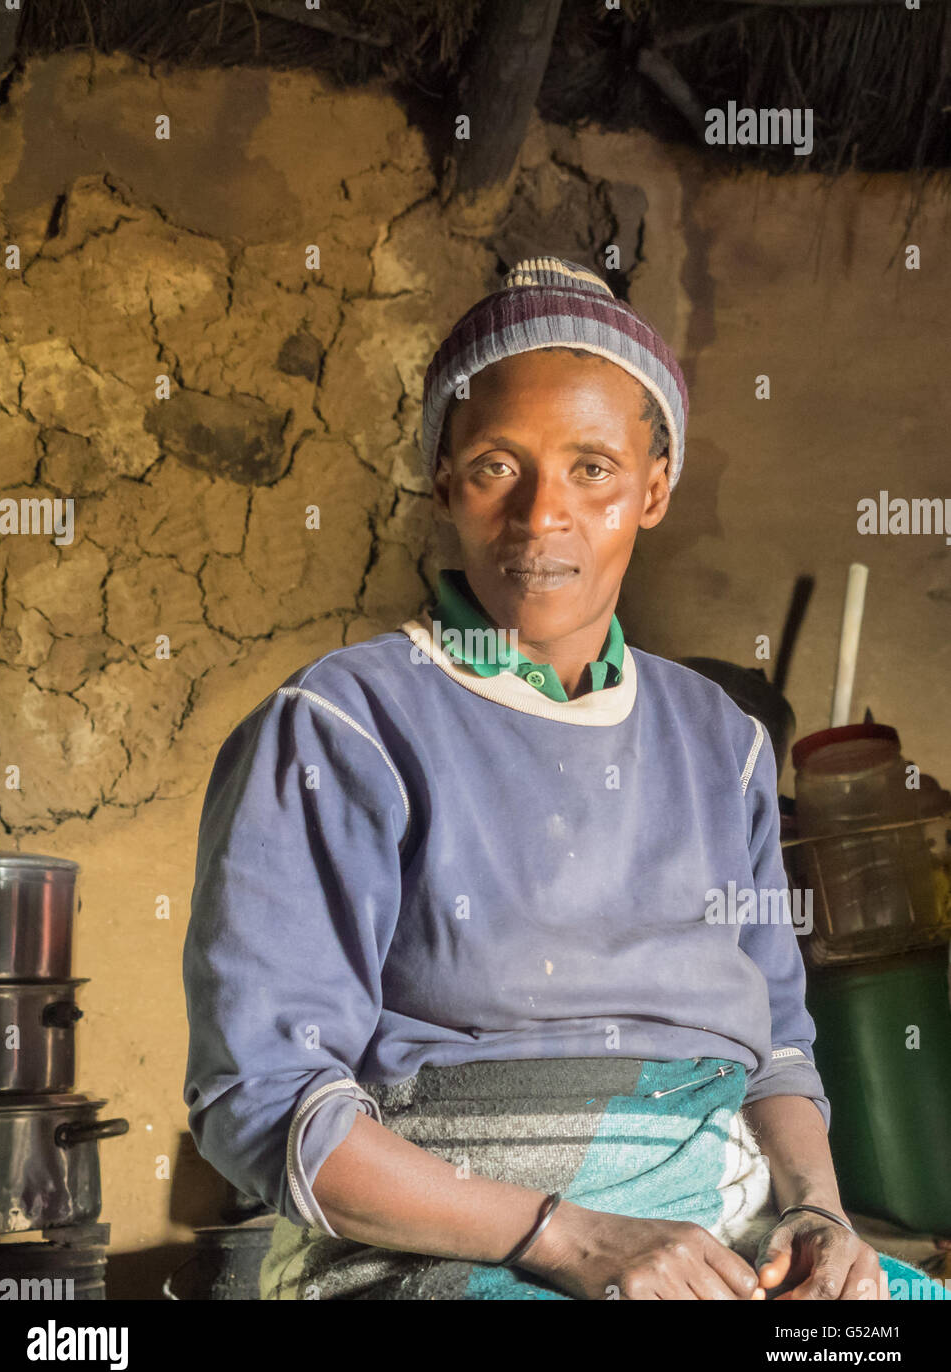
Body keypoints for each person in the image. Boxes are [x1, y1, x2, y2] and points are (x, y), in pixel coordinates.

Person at [182, 256, 947, 1301]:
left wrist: (816, 1212)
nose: (542, 516)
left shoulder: (720, 744)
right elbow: (264, 1099)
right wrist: (574, 1237)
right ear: (446, 479)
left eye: (591, 467)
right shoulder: (344, 725)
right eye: (499, 465)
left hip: (717, 1244)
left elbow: (774, 1047)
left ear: (653, 487)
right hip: (442, 1255)